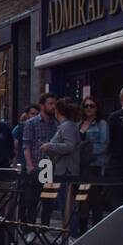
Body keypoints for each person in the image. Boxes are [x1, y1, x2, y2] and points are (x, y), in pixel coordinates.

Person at [39, 97, 82, 236]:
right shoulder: (67, 125)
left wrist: (49, 146)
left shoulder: (67, 126)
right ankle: (68, 235)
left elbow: (69, 146)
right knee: (66, 206)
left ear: (58, 111)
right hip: (63, 169)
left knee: (67, 206)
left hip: (66, 171)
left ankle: (72, 236)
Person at [22, 93, 59, 224]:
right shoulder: (31, 123)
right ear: (42, 106)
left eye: (54, 104)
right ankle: (30, 228)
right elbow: (26, 145)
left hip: (51, 167)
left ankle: (45, 227)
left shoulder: (56, 124)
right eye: (50, 104)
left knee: (49, 202)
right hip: (37, 166)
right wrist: (30, 165)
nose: (53, 107)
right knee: (32, 201)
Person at [78, 96, 110, 231]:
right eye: (86, 106)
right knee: (82, 200)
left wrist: (86, 151)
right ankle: (82, 230)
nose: (89, 108)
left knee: (95, 201)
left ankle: (96, 230)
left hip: (95, 166)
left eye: (92, 106)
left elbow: (103, 145)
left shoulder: (102, 124)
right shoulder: (79, 124)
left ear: (97, 108)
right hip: (81, 167)